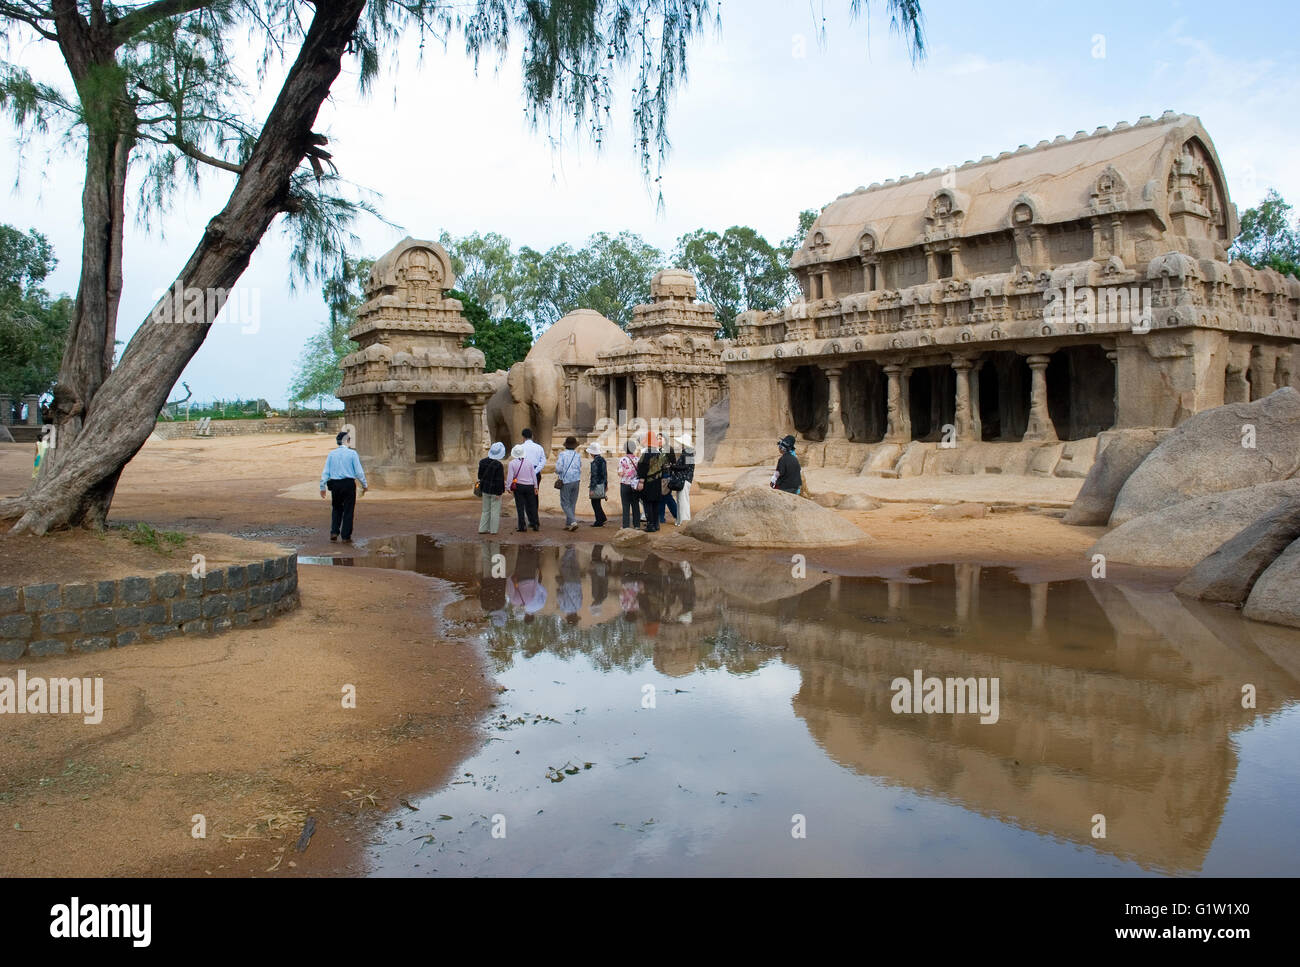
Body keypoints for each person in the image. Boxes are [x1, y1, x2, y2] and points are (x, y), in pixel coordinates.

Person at [319, 430, 368, 542]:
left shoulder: (332, 454)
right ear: (347, 441)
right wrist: (364, 485)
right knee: (348, 510)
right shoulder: (352, 454)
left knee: (336, 508)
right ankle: (346, 536)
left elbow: (326, 472)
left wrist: (322, 487)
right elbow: (359, 472)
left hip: (335, 484)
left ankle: (334, 531)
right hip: (348, 484)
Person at [636, 431, 670, 532]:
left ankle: (650, 525)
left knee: (648, 503)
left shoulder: (646, 454)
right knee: (655, 504)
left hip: (648, 483)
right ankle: (656, 524)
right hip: (657, 483)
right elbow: (665, 468)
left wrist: (641, 481)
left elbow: (641, 468)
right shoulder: (660, 454)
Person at [506, 443, 540, 532]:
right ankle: (535, 524)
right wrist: (536, 487)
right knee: (532, 505)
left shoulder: (512, 463)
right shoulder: (529, 462)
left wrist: (508, 487)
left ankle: (522, 526)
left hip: (519, 486)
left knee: (520, 506)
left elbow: (510, 476)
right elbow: (533, 475)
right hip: (530, 486)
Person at [477, 441, 507, 534]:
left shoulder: (482, 462)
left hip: (485, 489)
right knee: (495, 511)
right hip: (495, 491)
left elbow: (479, 476)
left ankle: (482, 529)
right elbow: (499, 481)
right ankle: (493, 530)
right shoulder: (498, 465)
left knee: (485, 510)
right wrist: (499, 492)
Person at [556, 435, 583, 531]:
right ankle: (568, 524)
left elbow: (558, 468)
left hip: (566, 480)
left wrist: (558, 472)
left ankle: (573, 521)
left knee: (564, 503)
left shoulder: (562, 455)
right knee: (572, 502)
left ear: (566, 445)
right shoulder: (578, 455)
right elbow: (580, 466)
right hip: (576, 480)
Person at [618, 438, 641, 529]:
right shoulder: (637, 459)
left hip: (625, 484)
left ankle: (626, 525)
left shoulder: (622, 459)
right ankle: (637, 525)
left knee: (625, 506)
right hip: (635, 485)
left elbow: (620, 473)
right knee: (635, 505)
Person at [673, 433, 696, 523]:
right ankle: (681, 519)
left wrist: (672, 467)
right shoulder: (688, 453)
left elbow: (685, 467)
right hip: (685, 479)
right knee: (681, 500)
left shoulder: (688, 453)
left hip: (684, 479)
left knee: (683, 500)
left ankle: (685, 519)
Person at [586, 442, 608, 527]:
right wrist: (606, 485)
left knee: (595, 503)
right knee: (597, 502)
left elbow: (594, 476)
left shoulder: (594, 462)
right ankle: (602, 518)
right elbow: (605, 474)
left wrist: (592, 489)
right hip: (602, 484)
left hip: (596, 485)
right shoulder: (603, 460)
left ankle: (599, 520)